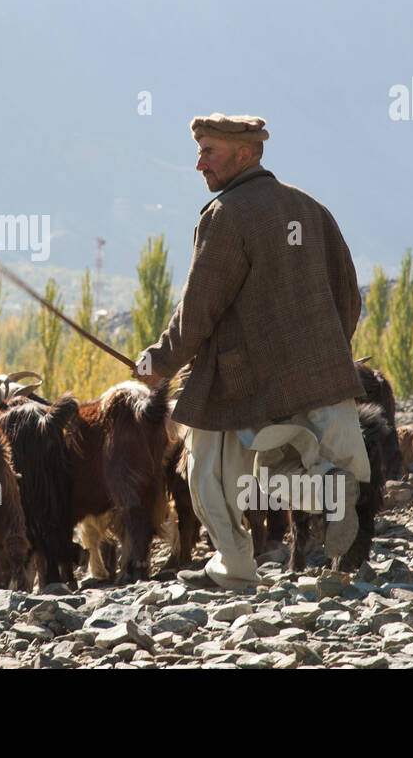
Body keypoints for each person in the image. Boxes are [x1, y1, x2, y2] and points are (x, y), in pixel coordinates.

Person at [134, 113, 370, 589]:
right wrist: (325, 351)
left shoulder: (226, 216)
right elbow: (350, 297)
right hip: (325, 377)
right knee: (284, 471)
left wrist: (159, 362)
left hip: (244, 382)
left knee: (209, 477)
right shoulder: (312, 210)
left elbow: (199, 309)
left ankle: (235, 566)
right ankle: (329, 486)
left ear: (244, 155)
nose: (198, 163)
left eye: (208, 152)